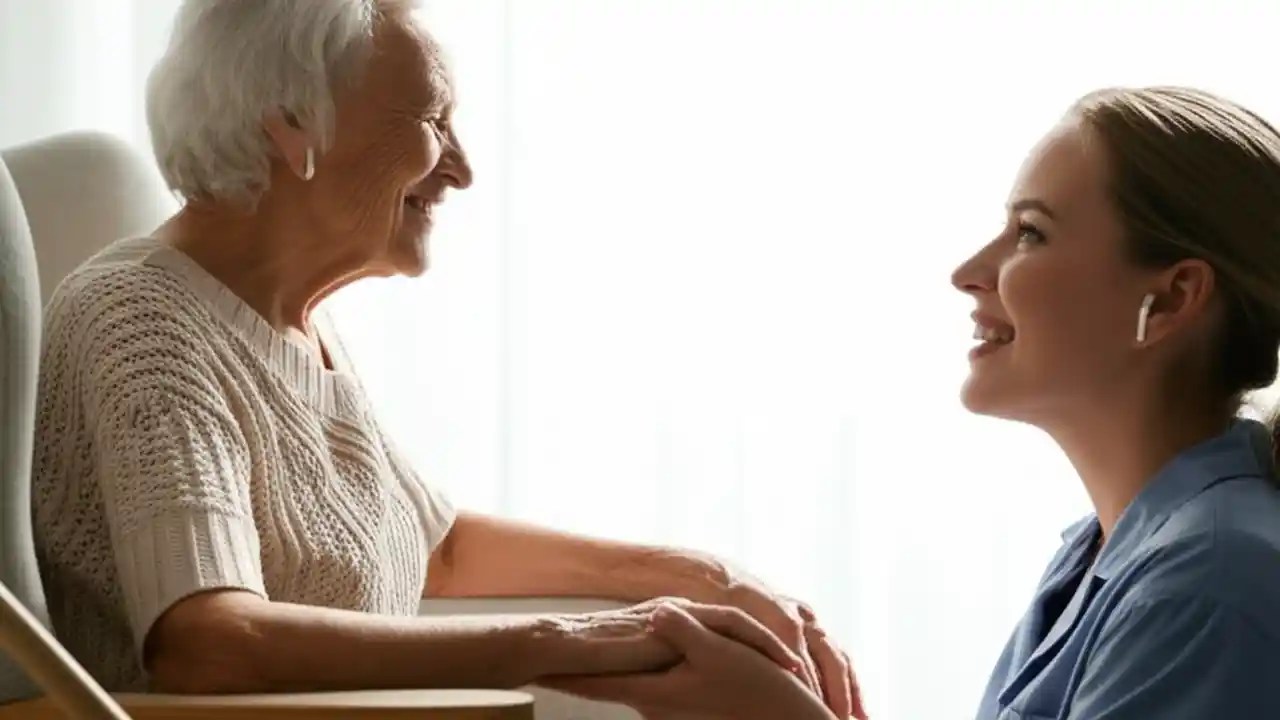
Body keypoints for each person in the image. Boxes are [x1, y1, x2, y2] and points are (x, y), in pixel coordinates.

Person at [28, 1, 863, 717]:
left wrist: (702, 574)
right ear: (291, 123)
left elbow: (439, 548)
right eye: (432, 121)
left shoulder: (289, 330)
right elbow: (211, 641)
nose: (459, 169)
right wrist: (571, 641)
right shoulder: (143, 320)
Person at [550, 87, 1280, 718]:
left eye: (1031, 233)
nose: (969, 272)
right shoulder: (1106, 555)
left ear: (1175, 297)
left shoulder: (1206, 586)